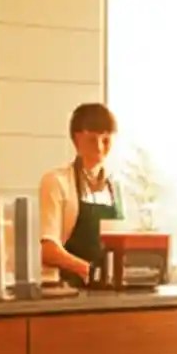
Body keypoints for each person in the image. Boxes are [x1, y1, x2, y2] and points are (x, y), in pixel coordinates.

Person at [39, 103, 125, 287]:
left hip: (110, 289)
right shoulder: (56, 182)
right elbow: (47, 249)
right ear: (77, 139)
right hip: (68, 288)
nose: (100, 147)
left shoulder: (116, 188)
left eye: (106, 140)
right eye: (92, 140)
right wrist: (88, 270)